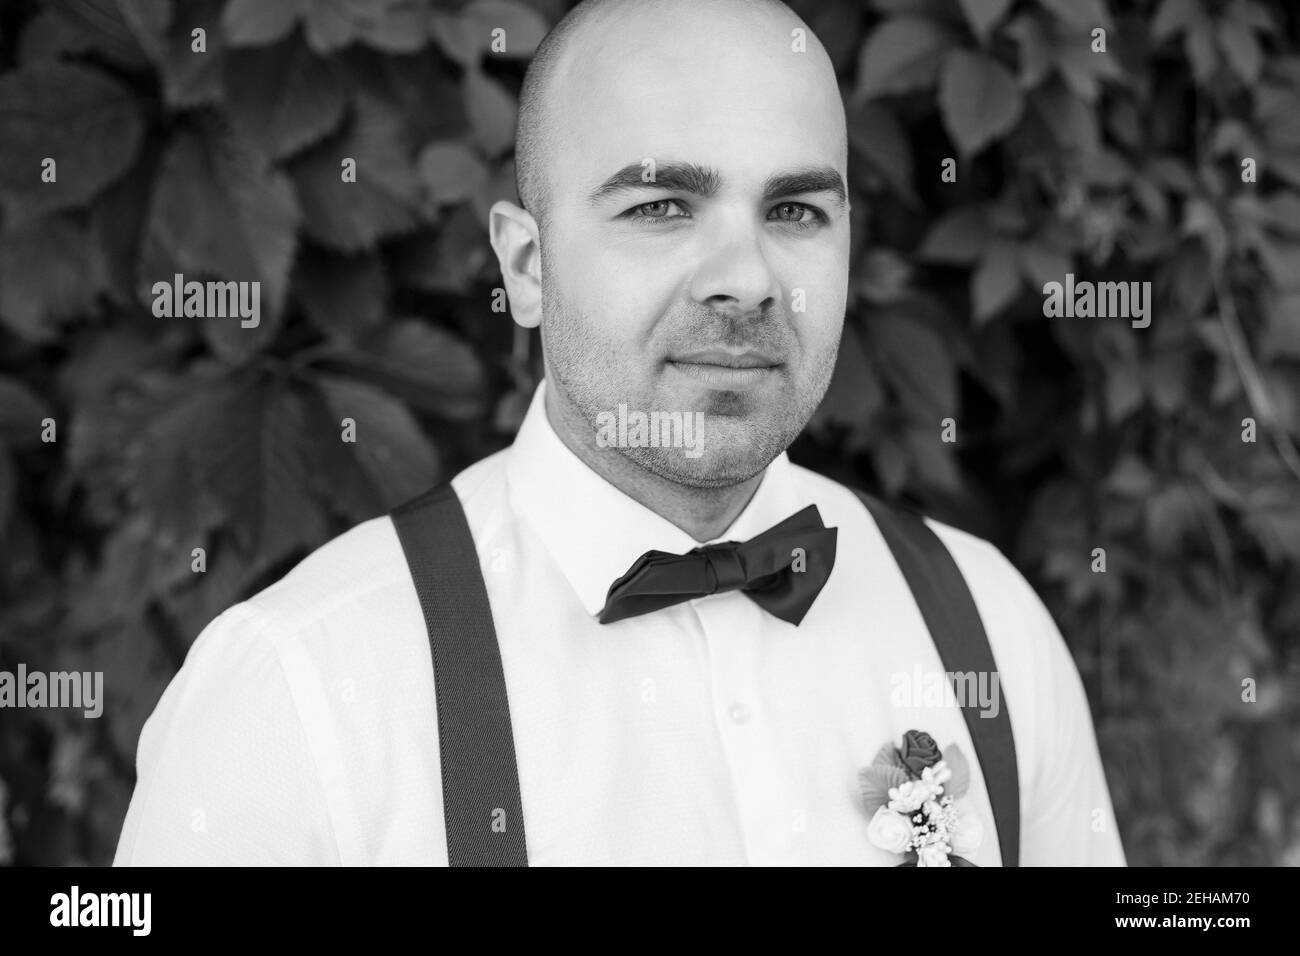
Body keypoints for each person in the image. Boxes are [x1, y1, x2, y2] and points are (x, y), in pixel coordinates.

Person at [114, 0, 1125, 866]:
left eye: (796, 209)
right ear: (525, 263)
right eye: (658, 205)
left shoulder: (985, 626)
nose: (747, 277)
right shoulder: (296, 692)